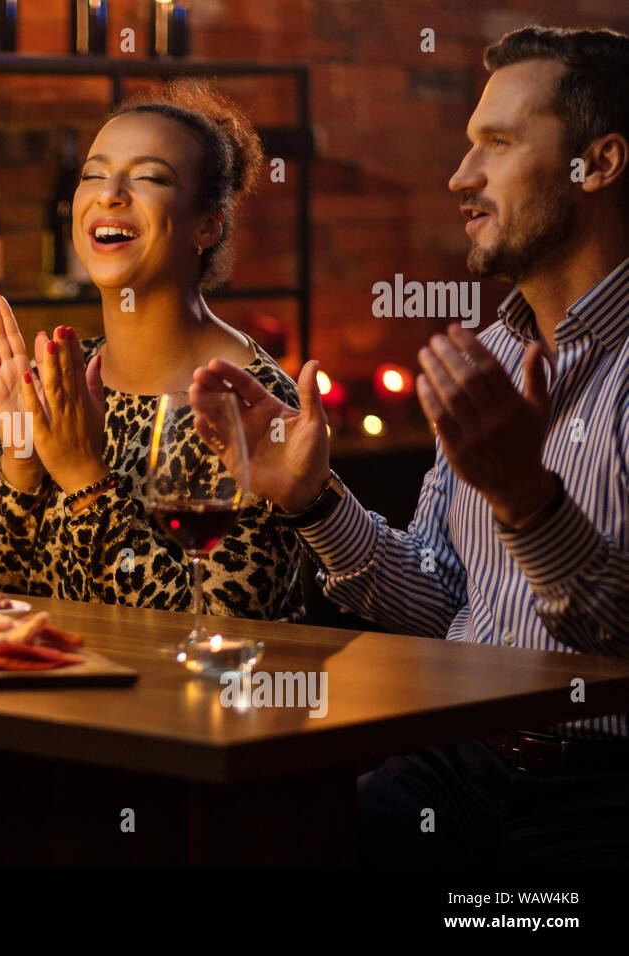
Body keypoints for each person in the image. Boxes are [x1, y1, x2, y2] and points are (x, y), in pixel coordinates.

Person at [189, 25, 629, 864]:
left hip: (604, 798)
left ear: (598, 163)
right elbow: (442, 601)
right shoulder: (488, 355)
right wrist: (314, 499)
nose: (460, 177)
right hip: (454, 772)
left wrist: (528, 502)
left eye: (496, 145)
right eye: (469, 146)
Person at [0, 81, 303, 621]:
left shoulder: (254, 403)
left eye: (148, 178)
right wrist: (22, 460)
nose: (109, 193)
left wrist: (85, 481)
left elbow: (219, 624)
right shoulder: (66, 382)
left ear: (208, 225)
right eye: (92, 175)